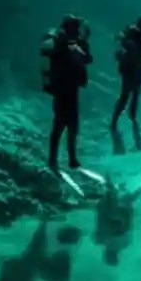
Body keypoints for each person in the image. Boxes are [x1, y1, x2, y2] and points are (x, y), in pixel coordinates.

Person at [41, 15, 93, 170]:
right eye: (76, 28)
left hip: (69, 89)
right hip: (64, 89)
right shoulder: (62, 43)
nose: (77, 31)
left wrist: (82, 42)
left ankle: (69, 158)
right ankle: (55, 159)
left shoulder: (69, 43)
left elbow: (86, 59)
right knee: (60, 125)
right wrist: (81, 44)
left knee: (70, 125)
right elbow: (84, 59)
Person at [111, 16, 141, 129]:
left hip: (138, 69)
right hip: (130, 69)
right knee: (125, 96)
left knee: (135, 94)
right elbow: (130, 48)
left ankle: (131, 116)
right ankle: (115, 119)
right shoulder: (133, 33)